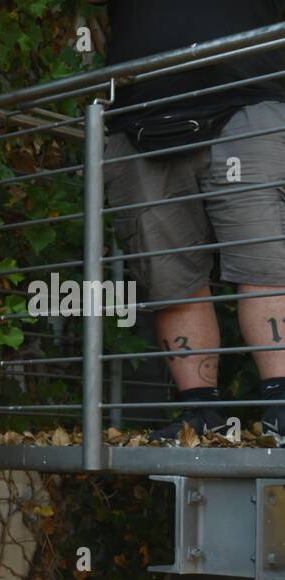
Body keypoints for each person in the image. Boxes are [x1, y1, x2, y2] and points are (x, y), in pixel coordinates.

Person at [94, 0, 285, 443]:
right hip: (143, 117)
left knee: (268, 267)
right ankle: (202, 416)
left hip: (252, 95)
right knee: (171, 283)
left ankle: (281, 409)